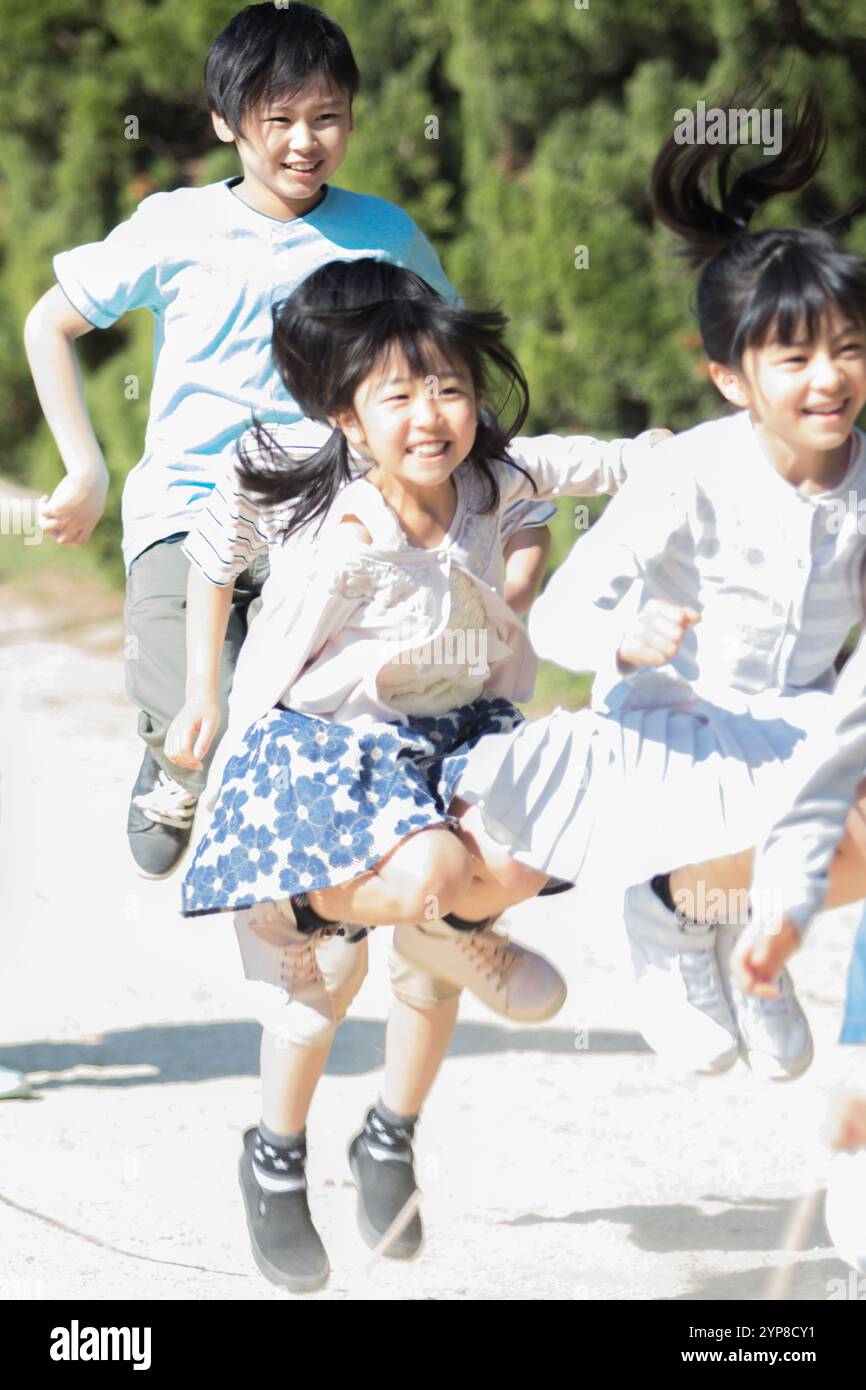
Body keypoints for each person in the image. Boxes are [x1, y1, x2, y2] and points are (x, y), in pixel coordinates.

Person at [166, 257, 662, 1289]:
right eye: (395, 389)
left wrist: (700, 451)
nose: (431, 409)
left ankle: (392, 1124)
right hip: (326, 746)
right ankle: (276, 1142)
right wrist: (202, 697)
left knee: (502, 859)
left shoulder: (487, 468)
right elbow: (215, 560)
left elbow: (597, 470)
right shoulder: (304, 474)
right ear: (341, 404)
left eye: (447, 385)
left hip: (453, 730)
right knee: (328, 985)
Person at [22, 1, 553, 878]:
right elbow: (49, 324)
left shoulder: (385, 234)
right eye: (279, 120)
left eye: (327, 117)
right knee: (200, 711)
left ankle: (333, 884)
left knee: (311, 712)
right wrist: (87, 466)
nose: (306, 141)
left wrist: (488, 488)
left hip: (328, 513)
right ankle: (174, 761)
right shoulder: (175, 225)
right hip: (187, 511)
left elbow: (442, 362)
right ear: (228, 123)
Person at [454, 86, 866, 1081]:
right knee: (488, 869)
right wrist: (624, 631)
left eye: (848, 348)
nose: (828, 378)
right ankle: (670, 913)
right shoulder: (688, 469)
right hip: (669, 722)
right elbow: (556, 616)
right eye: (794, 356)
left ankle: (747, 940)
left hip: (794, 721)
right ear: (730, 377)